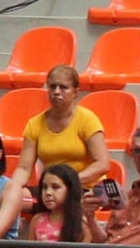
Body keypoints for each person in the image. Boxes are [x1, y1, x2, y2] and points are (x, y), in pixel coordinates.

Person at [12, 66, 113, 206]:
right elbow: (24, 168)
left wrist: (68, 181)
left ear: (75, 92)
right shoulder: (34, 124)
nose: (56, 92)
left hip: (85, 187)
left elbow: (102, 164)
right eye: (52, 87)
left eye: (63, 87)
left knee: (66, 202)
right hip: (51, 190)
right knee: (12, 198)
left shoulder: (88, 120)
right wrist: (13, 188)